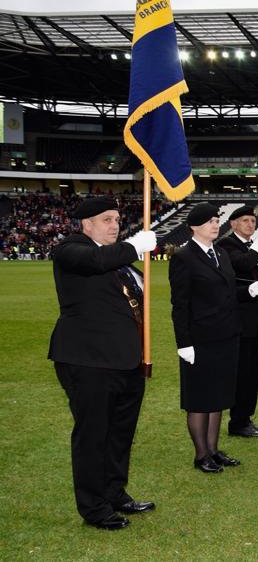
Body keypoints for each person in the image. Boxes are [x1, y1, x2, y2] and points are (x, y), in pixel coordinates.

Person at [49, 197, 157, 530]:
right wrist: (133, 246)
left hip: (125, 360)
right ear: (87, 224)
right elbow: (95, 261)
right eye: (107, 220)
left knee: (120, 432)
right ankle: (93, 507)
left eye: (117, 219)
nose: (115, 225)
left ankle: (114, 493)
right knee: (93, 434)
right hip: (88, 360)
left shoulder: (121, 263)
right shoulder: (70, 249)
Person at [169, 203, 258, 473]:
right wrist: (183, 344)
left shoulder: (219, 253)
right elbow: (180, 304)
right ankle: (201, 454)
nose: (215, 225)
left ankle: (214, 449)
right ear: (194, 227)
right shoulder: (184, 256)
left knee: (218, 397)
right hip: (201, 338)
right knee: (200, 398)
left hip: (227, 334)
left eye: (217, 220)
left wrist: (250, 289)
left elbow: (229, 291)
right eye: (209, 221)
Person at [216, 206, 258, 438]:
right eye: (245, 220)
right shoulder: (227, 246)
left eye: (253, 220)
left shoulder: (248, 247)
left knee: (252, 373)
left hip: (253, 321)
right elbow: (243, 264)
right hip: (238, 321)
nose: (251, 224)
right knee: (242, 374)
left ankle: (245, 418)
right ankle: (238, 421)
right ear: (233, 224)